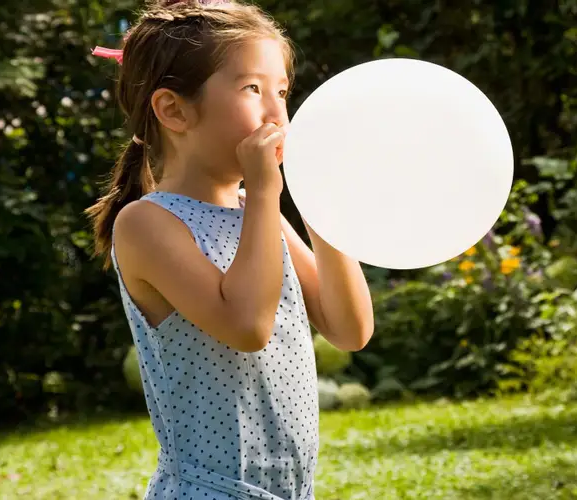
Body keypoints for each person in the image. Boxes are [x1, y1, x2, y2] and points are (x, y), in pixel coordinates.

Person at [86, 1, 374, 498]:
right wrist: (265, 192)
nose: (277, 112)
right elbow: (247, 326)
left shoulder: (256, 212)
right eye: (252, 90)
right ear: (174, 110)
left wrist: (318, 203)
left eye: (282, 91)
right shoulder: (147, 223)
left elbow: (349, 329)